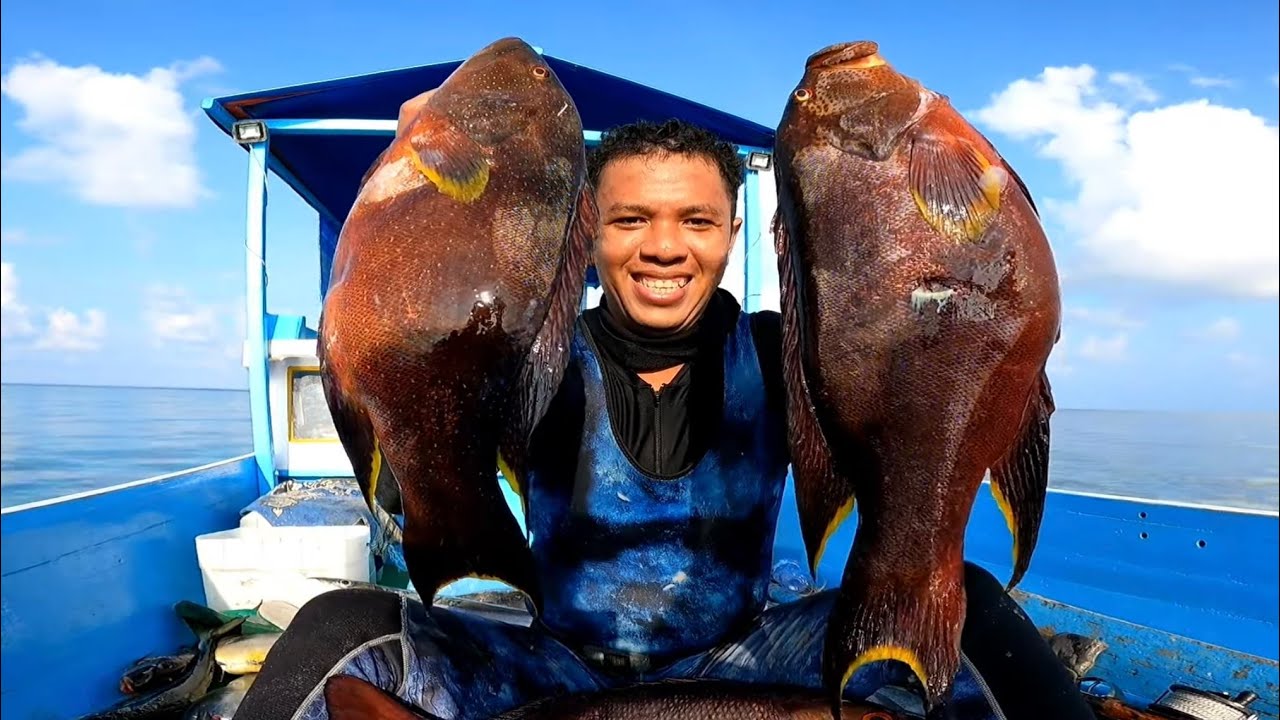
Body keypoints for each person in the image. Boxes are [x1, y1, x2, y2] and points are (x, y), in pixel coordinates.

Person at [236, 118, 1095, 720]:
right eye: (630, 219)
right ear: (589, 234)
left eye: (695, 220)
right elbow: (411, 330)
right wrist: (418, 166)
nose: (663, 246)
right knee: (341, 625)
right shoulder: (525, 357)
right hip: (549, 665)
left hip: (749, 660)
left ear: (732, 232)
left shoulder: (791, 357)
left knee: (966, 604)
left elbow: (935, 350)